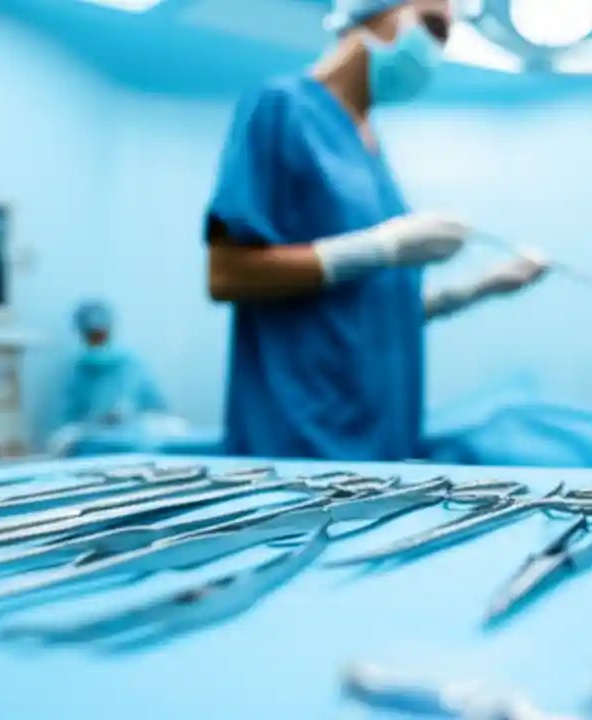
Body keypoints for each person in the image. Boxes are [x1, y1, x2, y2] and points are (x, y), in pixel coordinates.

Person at [204, 0, 545, 460]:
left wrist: (474, 290)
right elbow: (227, 275)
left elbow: (363, 310)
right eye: (431, 25)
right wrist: (382, 247)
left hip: (385, 436)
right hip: (301, 438)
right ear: (371, 10)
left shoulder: (369, 147)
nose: (436, 50)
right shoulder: (282, 106)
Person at [50, 300, 182, 454]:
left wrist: (128, 417)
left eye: (101, 335)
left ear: (110, 330)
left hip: (135, 441)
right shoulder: (77, 371)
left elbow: (161, 411)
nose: (97, 341)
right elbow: (65, 423)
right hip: (92, 446)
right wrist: (93, 424)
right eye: (92, 337)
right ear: (82, 335)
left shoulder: (132, 364)